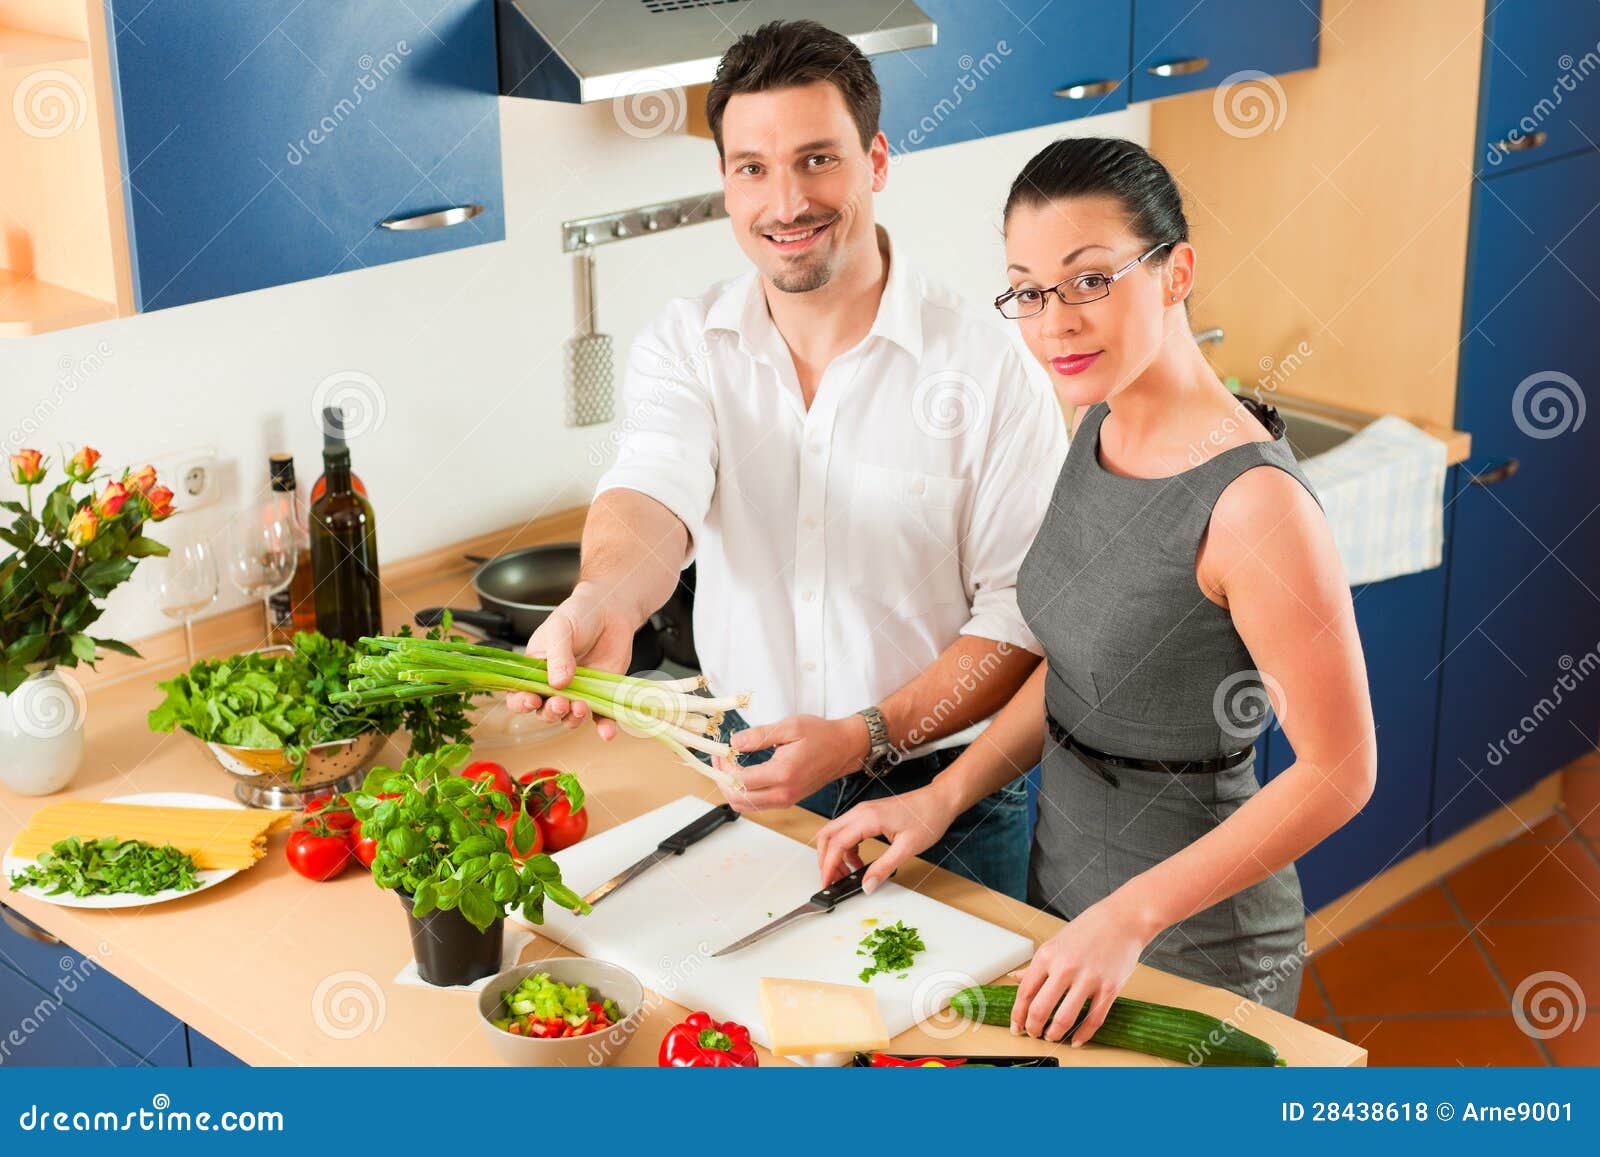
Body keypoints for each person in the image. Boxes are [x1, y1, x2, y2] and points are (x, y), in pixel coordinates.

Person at [817, 137, 1377, 1033]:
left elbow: (1341, 773)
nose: (1055, 322)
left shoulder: (1255, 504)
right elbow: (1078, 668)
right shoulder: (1095, 427)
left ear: (1176, 271)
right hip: (1065, 906)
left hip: (1196, 945)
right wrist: (941, 794)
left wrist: (1130, 915)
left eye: (1089, 280)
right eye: (1030, 291)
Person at [505, 20, 1067, 900]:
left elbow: (1020, 624)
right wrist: (602, 599)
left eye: (817, 159)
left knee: (941, 1038)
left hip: (941, 801)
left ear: (875, 162)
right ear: (725, 183)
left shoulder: (991, 368)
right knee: (760, 1029)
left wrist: (863, 735)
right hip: (750, 775)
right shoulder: (689, 344)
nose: (785, 203)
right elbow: (653, 490)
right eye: (752, 168)